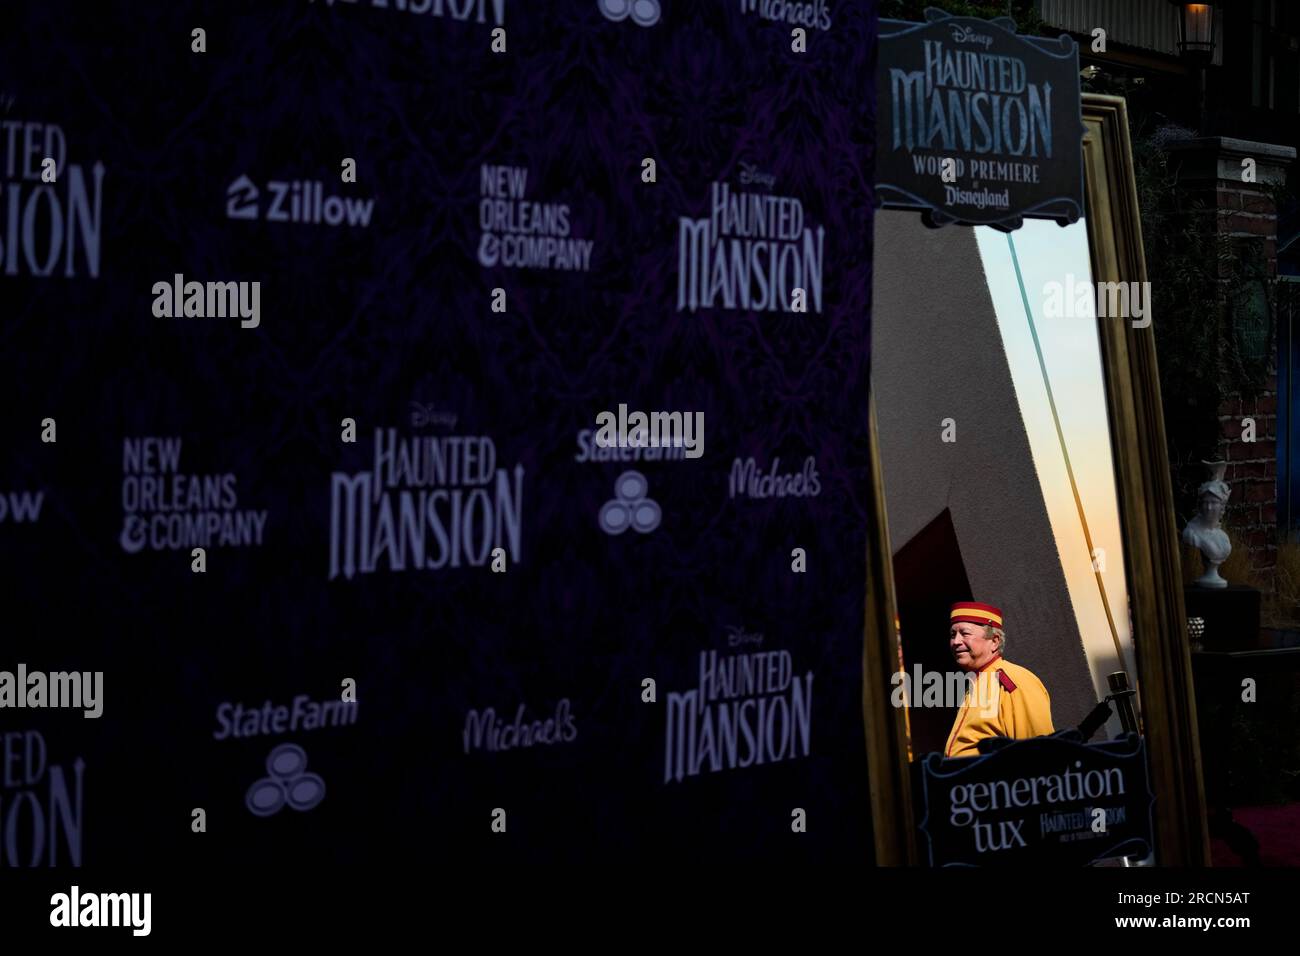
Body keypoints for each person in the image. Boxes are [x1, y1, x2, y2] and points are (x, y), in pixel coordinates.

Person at [944, 601, 1054, 758]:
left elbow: (1039, 753)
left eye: (965, 633)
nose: (955, 642)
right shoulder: (976, 682)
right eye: (953, 635)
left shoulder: (1014, 681)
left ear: (994, 641)